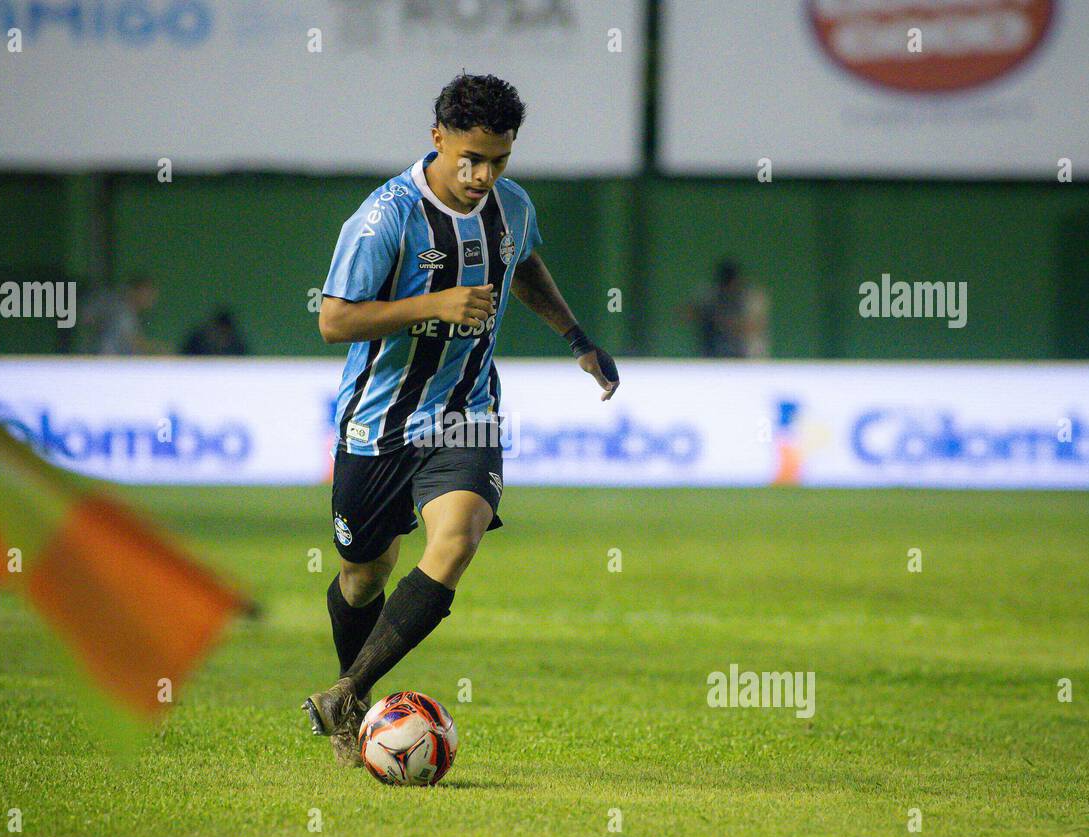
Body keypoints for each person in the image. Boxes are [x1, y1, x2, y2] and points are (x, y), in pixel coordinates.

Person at [301, 74, 620, 765]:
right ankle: (353, 694)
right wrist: (435, 304)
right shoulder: (384, 218)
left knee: (459, 534)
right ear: (438, 138)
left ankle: (348, 695)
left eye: (499, 160)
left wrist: (577, 337)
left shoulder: (512, 206)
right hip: (378, 425)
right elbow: (334, 319)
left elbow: (522, 262)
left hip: (467, 413)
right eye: (470, 158)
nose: (483, 175)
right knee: (364, 572)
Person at [684, 259, 769, 358]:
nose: (728, 288)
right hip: (712, 355)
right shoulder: (711, 294)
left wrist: (726, 322)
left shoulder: (752, 297)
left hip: (745, 357)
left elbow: (755, 326)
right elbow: (686, 314)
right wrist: (704, 314)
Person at [80, 275, 166, 355]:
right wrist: (160, 350)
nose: (151, 299)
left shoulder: (128, 312)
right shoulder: (122, 312)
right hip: (105, 364)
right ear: (135, 291)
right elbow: (133, 341)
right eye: (147, 294)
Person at [180, 307, 250, 356]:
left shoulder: (236, 347)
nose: (221, 336)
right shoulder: (196, 343)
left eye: (225, 332)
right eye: (219, 331)